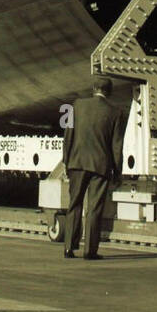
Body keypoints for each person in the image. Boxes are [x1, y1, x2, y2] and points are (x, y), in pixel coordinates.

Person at [61, 76, 127, 261]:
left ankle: (69, 248)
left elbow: (68, 136)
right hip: (101, 165)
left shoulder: (76, 105)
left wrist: (67, 161)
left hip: (76, 162)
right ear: (109, 92)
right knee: (94, 208)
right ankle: (90, 251)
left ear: (93, 89)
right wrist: (118, 171)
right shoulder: (115, 112)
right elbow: (117, 145)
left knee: (74, 204)